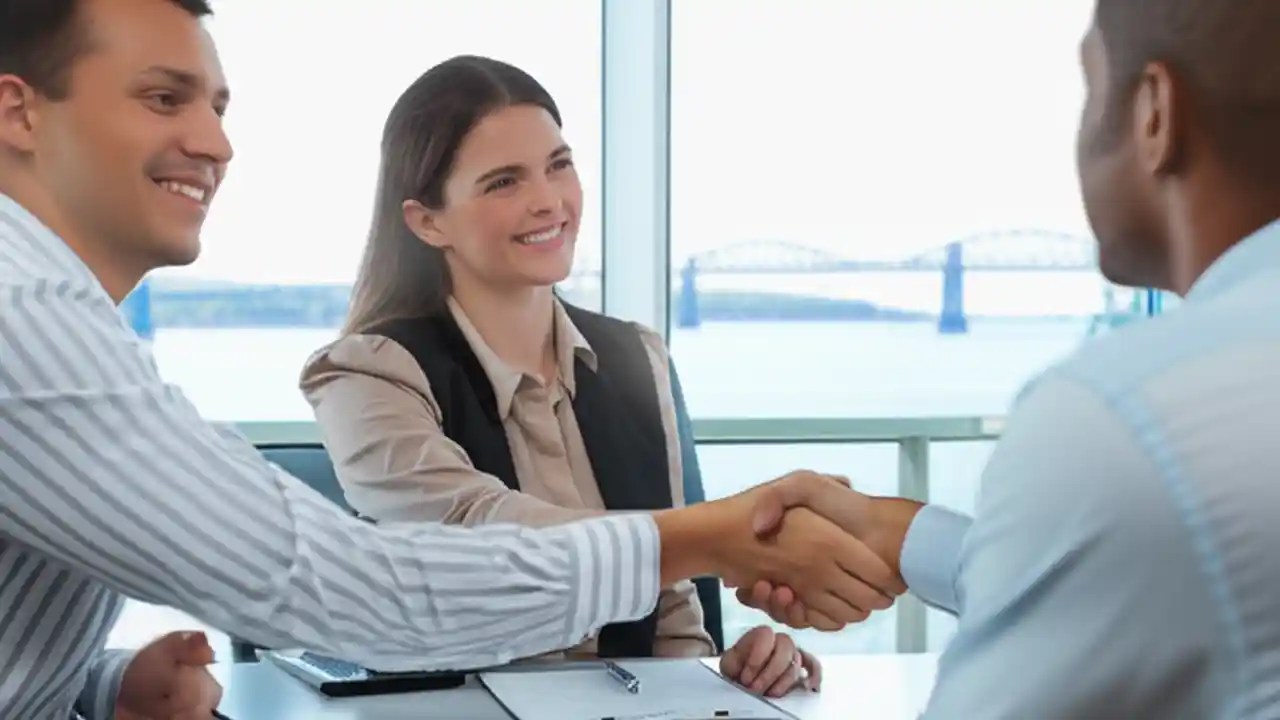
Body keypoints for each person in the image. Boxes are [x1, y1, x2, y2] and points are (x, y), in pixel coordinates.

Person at [0, 1, 905, 717]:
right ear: (18, 110)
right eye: (164, 98)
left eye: (218, 106)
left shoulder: (636, 360)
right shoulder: (28, 319)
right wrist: (713, 535)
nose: (216, 142)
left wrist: (103, 682)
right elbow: (355, 586)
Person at [745, 0, 1280, 716]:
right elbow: (1155, 569)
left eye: (1091, 89)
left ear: (1155, 113)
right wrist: (897, 532)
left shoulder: (1123, 419)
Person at [300, 55, 827, 698]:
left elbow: (674, 620)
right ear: (427, 221)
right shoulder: (363, 373)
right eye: (503, 182)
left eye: (559, 165)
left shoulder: (637, 357)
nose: (548, 201)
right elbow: (477, 531)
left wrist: (731, 677)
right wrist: (723, 538)